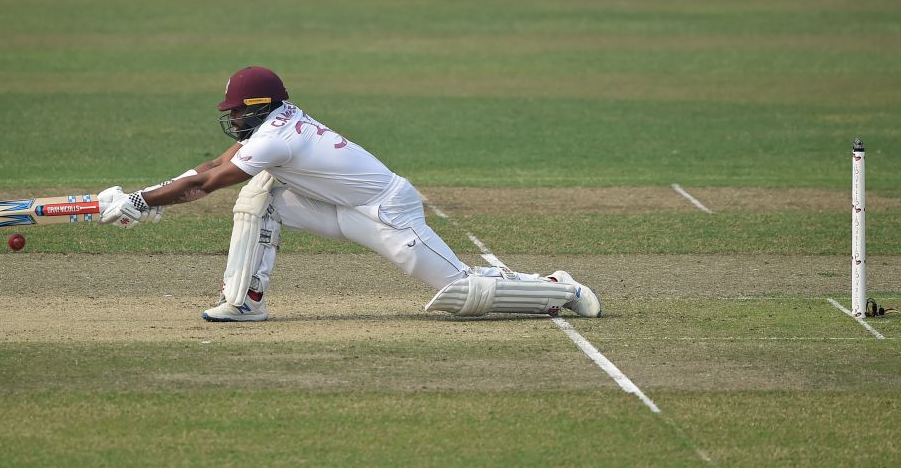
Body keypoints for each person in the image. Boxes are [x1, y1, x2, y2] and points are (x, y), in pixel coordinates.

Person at [96, 66, 602, 322]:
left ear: (258, 106)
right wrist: (142, 196)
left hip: (386, 213)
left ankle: (560, 288)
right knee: (260, 196)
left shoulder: (276, 137)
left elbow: (204, 184)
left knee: (460, 292)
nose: (230, 118)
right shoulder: (270, 126)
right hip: (339, 208)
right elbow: (212, 166)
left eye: (235, 110)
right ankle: (245, 301)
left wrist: (142, 204)